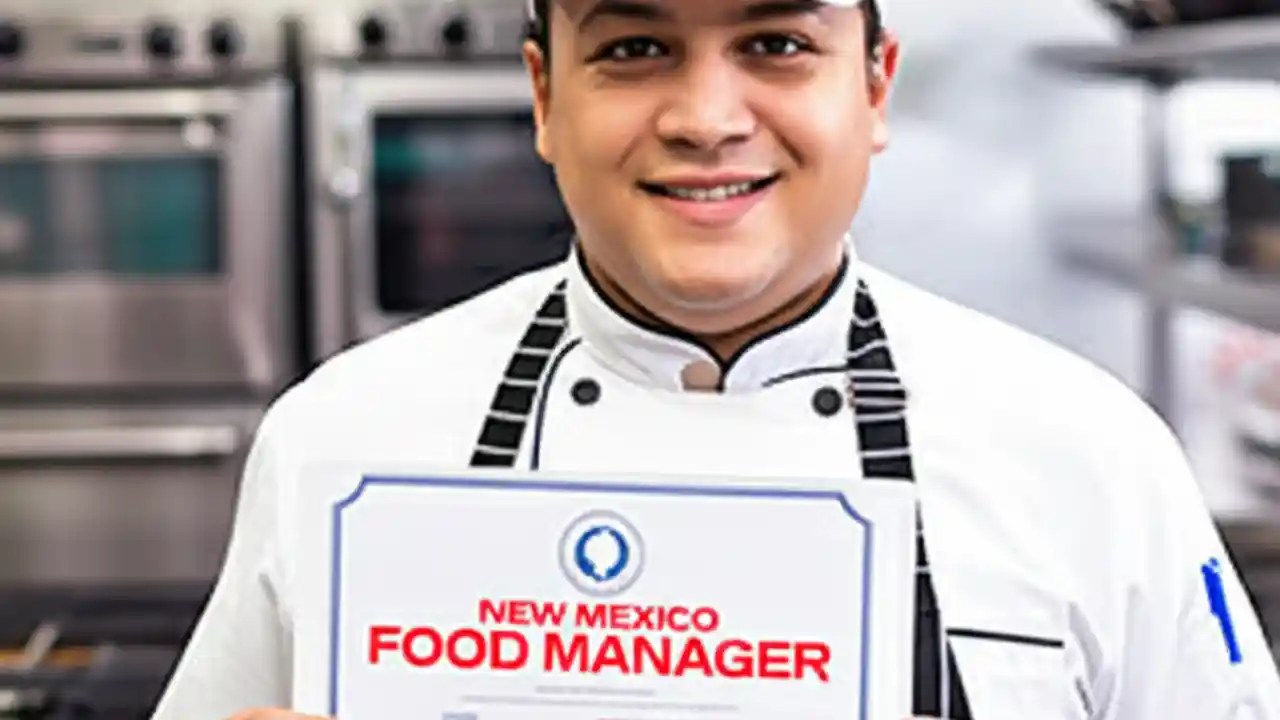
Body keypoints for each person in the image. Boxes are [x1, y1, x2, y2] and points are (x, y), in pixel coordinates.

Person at [152, 0, 1280, 718]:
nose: (703, 116)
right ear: (545, 96)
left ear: (872, 86)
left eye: (775, 45)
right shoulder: (340, 437)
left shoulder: (1089, 451)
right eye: (635, 48)